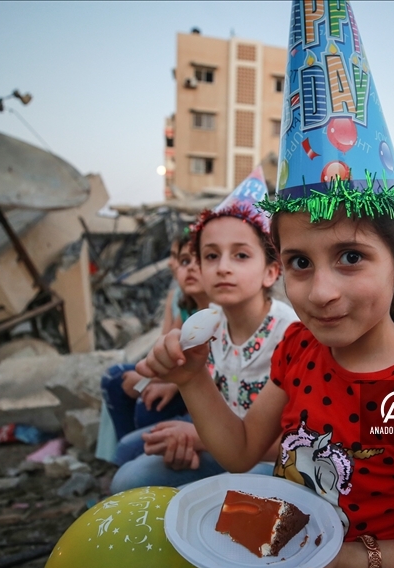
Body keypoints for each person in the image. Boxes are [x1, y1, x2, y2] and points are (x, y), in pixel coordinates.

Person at [136, 2, 394, 568]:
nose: (320, 291)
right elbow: (243, 452)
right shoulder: (300, 347)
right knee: (151, 554)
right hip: (276, 540)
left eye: (351, 256)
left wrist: (343, 562)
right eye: (299, 261)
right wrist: (193, 380)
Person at [111, 166, 298, 492]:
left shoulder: (291, 334)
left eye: (240, 255)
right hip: (221, 443)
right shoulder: (208, 321)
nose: (223, 267)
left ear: (271, 271)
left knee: (136, 476)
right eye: (211, 256)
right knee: (127, 461)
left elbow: (299, 442)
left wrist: (199, 439)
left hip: (273, 466)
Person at [99, 230, 212, 466]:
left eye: (201, 259)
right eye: (182, 260)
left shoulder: (223, 312)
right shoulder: (185, 301)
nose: (188, 267)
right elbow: (167, 351)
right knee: (115, 379)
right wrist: (149, 378)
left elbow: (216, 375)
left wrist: (171, 382)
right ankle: (125, 461)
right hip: (188, 380)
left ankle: (133, 461)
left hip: (205, 393)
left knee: (146, 407)